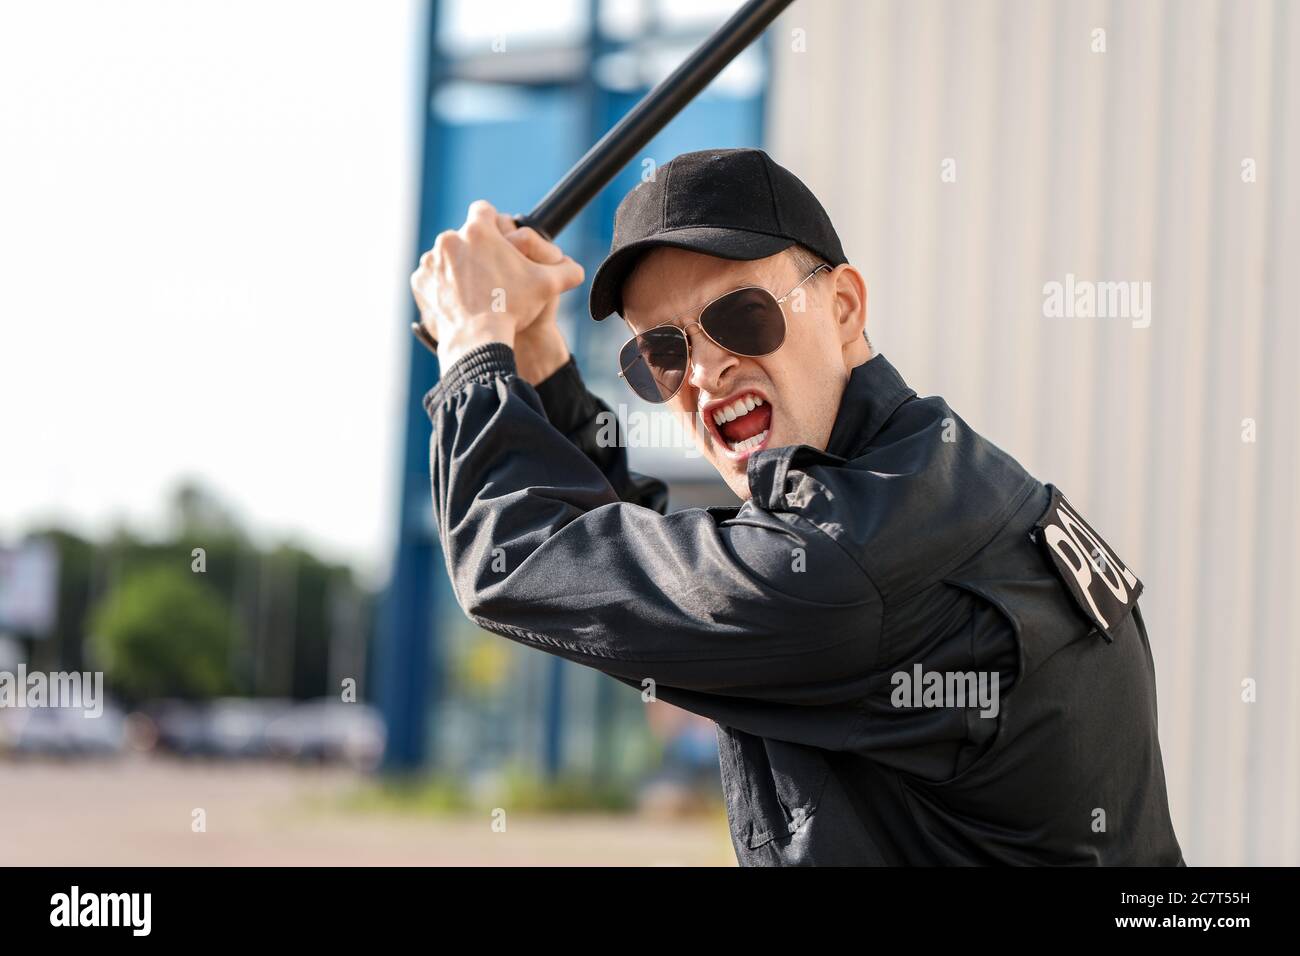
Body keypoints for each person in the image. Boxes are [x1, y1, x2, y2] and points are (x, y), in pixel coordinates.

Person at [409, 148, 1183, 866]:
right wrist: (538, 351)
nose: (706, 371)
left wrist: (475, 345)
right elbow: (652, 572)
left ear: (844, 307)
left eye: (741, 315)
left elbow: (518, 561)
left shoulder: (848, 563)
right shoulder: (929, 484)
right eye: (663, 353)